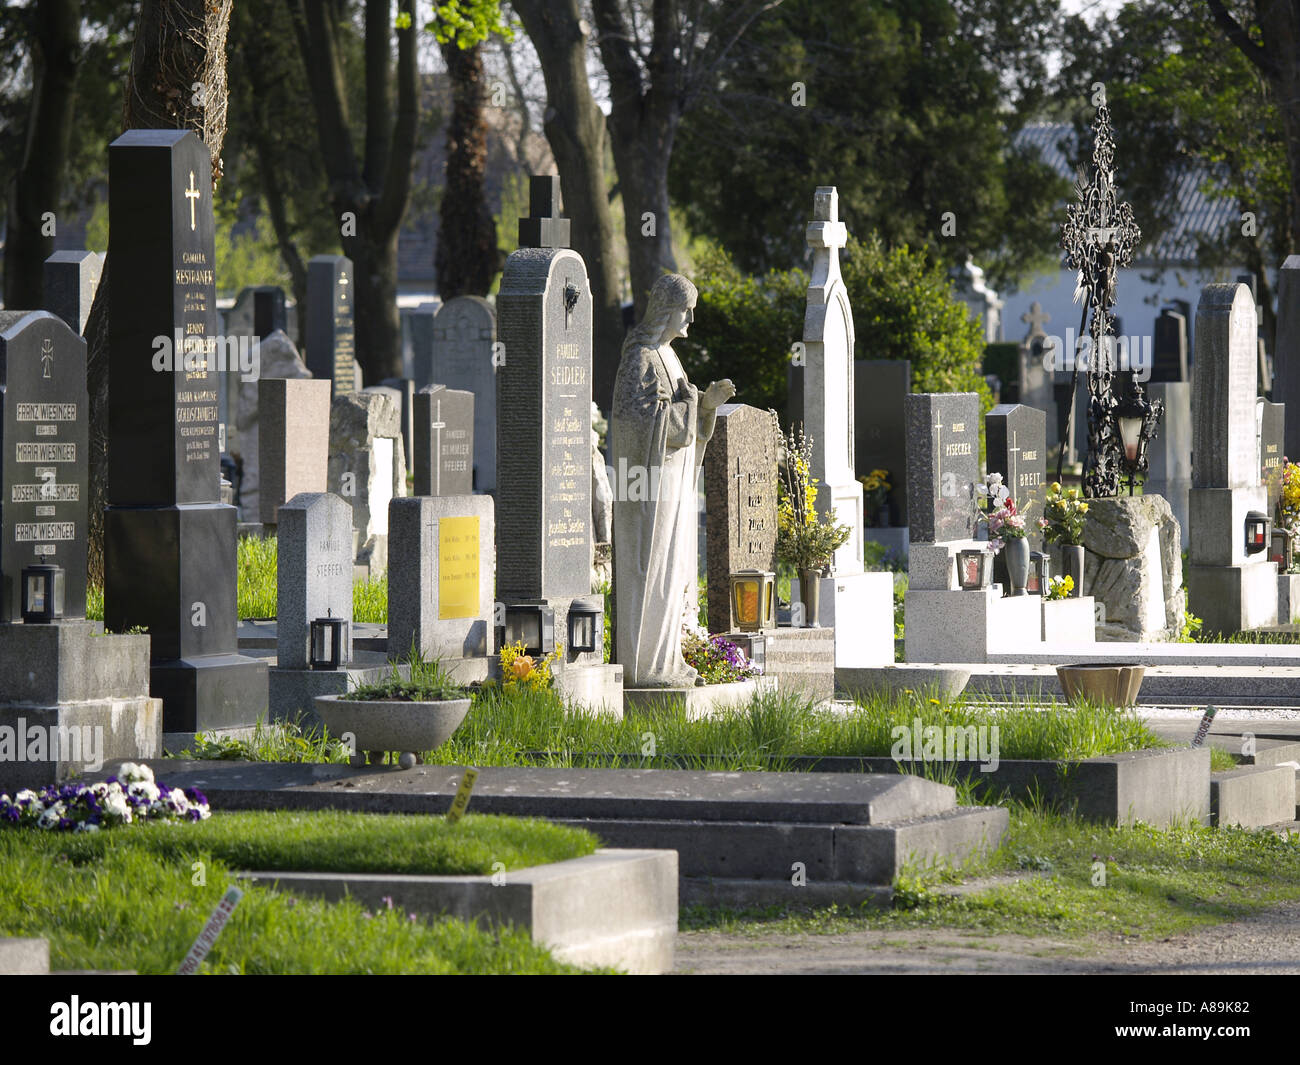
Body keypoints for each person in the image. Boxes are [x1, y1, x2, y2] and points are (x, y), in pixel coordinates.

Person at [609, 274, 735, 687]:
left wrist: (705, 407)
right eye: (686, 309)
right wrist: (691, 406)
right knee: (654, 566)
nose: (691, 318)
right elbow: (638, 423)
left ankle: (668, 658)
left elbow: (680, 416)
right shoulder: (640, 358)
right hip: (647, 485)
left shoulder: (669, 356)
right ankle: (647, 666)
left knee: (672, 567)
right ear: (666, 309)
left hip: (672, 482)